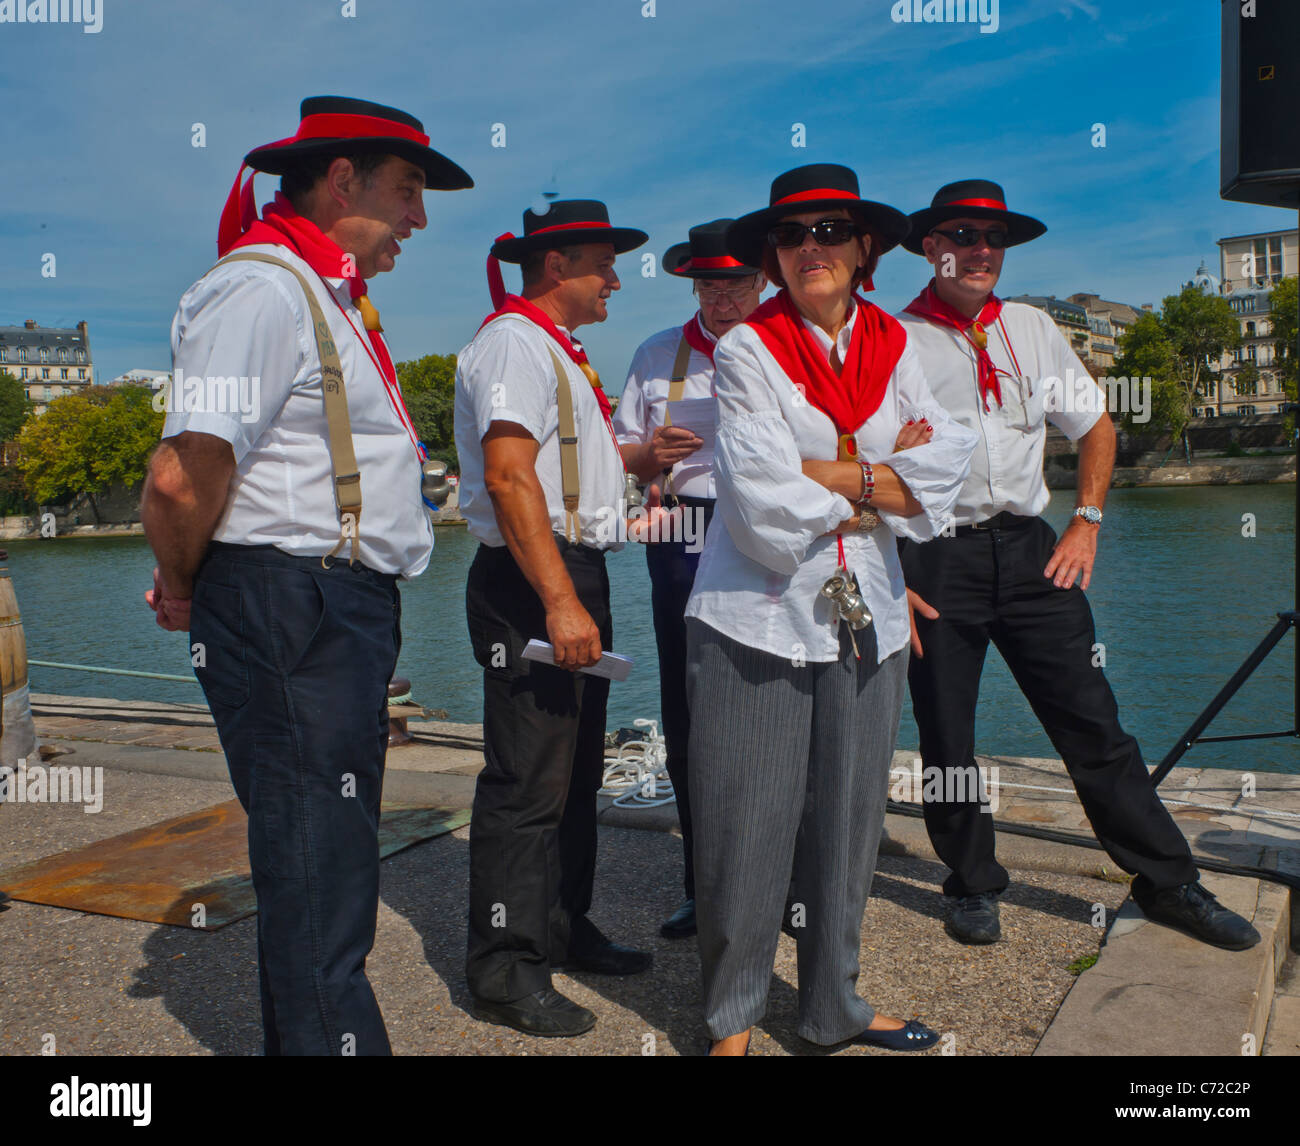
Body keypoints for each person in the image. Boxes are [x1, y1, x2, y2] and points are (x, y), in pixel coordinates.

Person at [141, 96, 473, 1055]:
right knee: (316, 861)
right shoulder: (261, 290)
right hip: (290, 600)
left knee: (326, 853)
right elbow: (178, 476)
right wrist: (189, 588)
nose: (418, 216)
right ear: (342, 182)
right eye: (408, 190)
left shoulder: (316, 294)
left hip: (327, 601)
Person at [895, 179, 1260, 951]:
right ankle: (970, 880)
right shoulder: (892, 341)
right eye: (962, 235)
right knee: (946, 734)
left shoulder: (1029, 327)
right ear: (931, 248)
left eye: (993, 238)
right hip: (933, 556)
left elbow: (1095, 424)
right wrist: (890, 576)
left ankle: (1168, 881)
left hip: (1032, 550)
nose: (981, 250)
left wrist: (1087, 521)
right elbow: (862, 463)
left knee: (1094, 723)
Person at [683, 164, 979, 1055]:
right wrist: (883, 483)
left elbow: (950, 468)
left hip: (872, 608)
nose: (809, 246)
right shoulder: (746, 351)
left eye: (828, 230)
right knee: (747, 820)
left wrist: (835, 479)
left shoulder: (903, 348)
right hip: (757, 614)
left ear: (863, 249)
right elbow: (760, 500)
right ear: (773, 258)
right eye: (790, 235)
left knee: (851, 823)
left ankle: (831, 1006)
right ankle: (731, 1016)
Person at [455, 199, 655, 1038]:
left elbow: (564, 469)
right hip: (535, 577)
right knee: (527, 785)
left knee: (573, 777)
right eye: (602, 263)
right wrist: (561, 599)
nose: (616, 278)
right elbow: (509, 478)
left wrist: (639, 462)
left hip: (569, 568)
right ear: (554, 268)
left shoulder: (555, 351)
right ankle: (505, 966)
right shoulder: (512, 343)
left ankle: (565, 928)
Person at [612, 219, 765, 940]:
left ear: (762, 280)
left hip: (763, 522)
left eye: (736, 279)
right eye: (710, 281)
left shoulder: (786, 347)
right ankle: (704, 884)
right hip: (682, 525)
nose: (723, 294)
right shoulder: (656, 353)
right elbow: (617, 449)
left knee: (775, 697)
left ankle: (784, 881)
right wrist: (649, 452)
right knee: (689, 701)